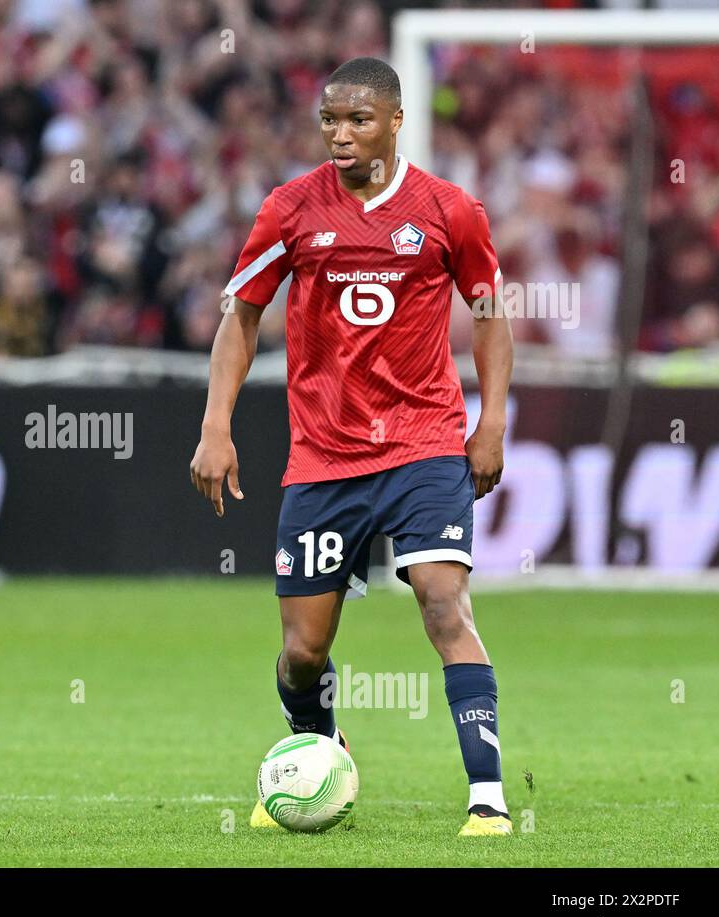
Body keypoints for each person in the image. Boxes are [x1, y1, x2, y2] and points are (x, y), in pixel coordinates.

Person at [189, 58, 514, 837]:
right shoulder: (291, 208)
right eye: (330, 120)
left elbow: (490, 312)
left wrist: (493, 420)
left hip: (424, 442)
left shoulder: (448, 210)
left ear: (396, 121)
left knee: (442, 599)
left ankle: (489, 795)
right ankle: (322, 746)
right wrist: (215, 425)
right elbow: (242, 315)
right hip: (325, 457)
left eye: (358, 120)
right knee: (303, 653)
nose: (341, 134)